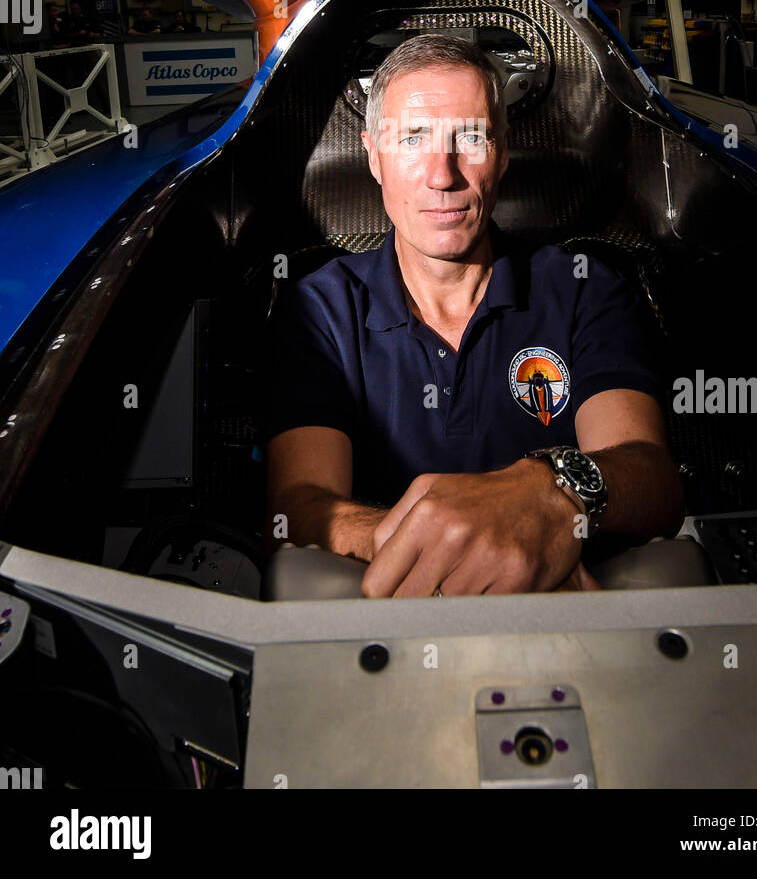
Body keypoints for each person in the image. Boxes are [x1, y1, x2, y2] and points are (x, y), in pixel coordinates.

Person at [263, 35, 683, 597]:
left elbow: (651, 480)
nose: (443, 175)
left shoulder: (581, 287)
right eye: (413, 138)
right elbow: (298, 508)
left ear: (504, 153)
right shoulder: (321, 308)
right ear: (373, 156)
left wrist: (544, 495)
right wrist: (451, 543)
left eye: (471, 138)